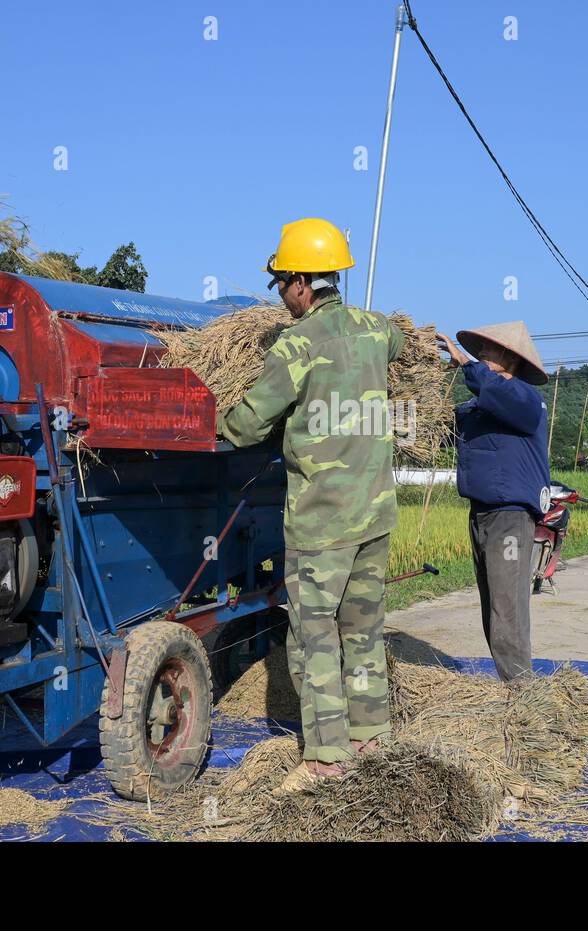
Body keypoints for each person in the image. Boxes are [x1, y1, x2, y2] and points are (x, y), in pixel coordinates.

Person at [219, 218, 405, 793]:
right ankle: (373, 738)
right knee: (365, 631)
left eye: (281, 285)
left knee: (316, 638)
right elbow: (399, 342)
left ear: (301, 282)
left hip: (323, 522)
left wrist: (213, 423)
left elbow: (249, 424)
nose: (280, 297)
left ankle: (326, 758)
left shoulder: (295, 344)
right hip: (376, 514)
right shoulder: (378, 330)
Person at [436, 322, 550, 682]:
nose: (481, 354)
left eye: (489, 349)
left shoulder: (524, 398)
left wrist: (464, 362)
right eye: (479, 349)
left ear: (511, 360)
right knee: (492, 607)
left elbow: (491, 389)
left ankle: (523, 693)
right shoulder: (475, 407)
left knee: (507, 610)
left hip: (510, 516)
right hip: (481, 514)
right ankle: (513, 683)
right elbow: (435, 433)